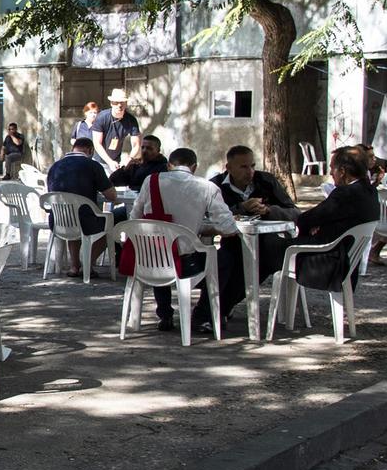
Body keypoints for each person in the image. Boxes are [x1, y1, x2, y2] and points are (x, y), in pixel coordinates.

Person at [128, 147, 240, 335]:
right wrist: (199, 227)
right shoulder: (207, 187)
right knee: (224, 260)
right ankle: (203, 313)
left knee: (159, 249)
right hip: (187, 263)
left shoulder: (151, 181)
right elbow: (229, 228)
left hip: (149, 260)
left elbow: (135, 218)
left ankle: (165, 314)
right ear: (194, 167)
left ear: (169, 166)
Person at [283, 146, 383, 290]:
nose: (330, 173)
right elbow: (329, 216)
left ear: (342, 171)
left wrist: (315, 224)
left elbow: (305, 220)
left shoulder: (345, 193)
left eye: (332, 168)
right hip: (347, 262)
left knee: (267, 248)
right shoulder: (371, 192)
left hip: (327, 263)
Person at [45, 137, 116, 274]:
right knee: (111, 224)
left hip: (58, 222)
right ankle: (87, 264)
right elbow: (111, 196)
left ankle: (74, 266)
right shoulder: (92, 165)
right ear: (90, 150)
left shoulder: (55, 166)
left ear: (73, 149)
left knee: (73, 219)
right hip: (85, 222)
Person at [212, 145, 300, 221]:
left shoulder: (266, 180)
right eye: (244, 167)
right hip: (233, 238)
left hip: (269, 237)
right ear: (229, 168)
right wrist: (241, 208)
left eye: (252, 166)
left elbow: (295, 212)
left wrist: (268, 210)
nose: (250, 172)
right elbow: (208, 217)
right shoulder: (215, 185)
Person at [98, 89, 140, 167]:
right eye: (116, 102)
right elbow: (97, 143)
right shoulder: (102, 117)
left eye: (122, 102)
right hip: (99, 161)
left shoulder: (131, 120)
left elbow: (136, 144)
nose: (119, 105)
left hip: (116, 160)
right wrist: (109, 162)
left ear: (126, 103)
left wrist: (129, 159)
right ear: (111, 103)